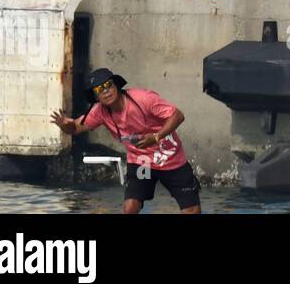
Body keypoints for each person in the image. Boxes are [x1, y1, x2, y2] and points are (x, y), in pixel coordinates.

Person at [50, 68, 200, 215]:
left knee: (191, 210)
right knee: (130, 208)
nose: (106, 91)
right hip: (142, 161)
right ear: (96, 97)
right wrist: (65, 125)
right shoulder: (99, 112)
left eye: (109, 85)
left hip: (171, 159)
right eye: (99, 89)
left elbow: (178, 115)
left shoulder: (144, 98)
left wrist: (155, 137)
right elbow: (75, 128)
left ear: (116, 85)